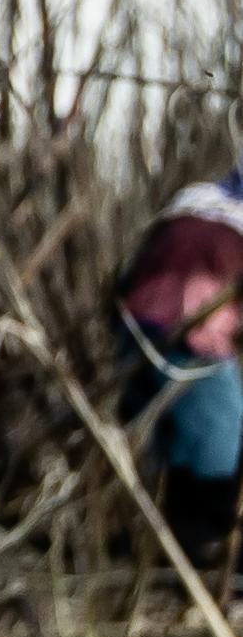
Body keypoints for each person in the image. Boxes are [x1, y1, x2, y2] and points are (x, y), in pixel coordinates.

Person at [119, 154, 243, 570]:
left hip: (134, 328)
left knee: (174, 448)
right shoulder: (233, 221)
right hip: (190, 339)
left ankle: (167, 551)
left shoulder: (192, 198)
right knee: (219, 445)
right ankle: (200, 554)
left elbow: (131, 270)